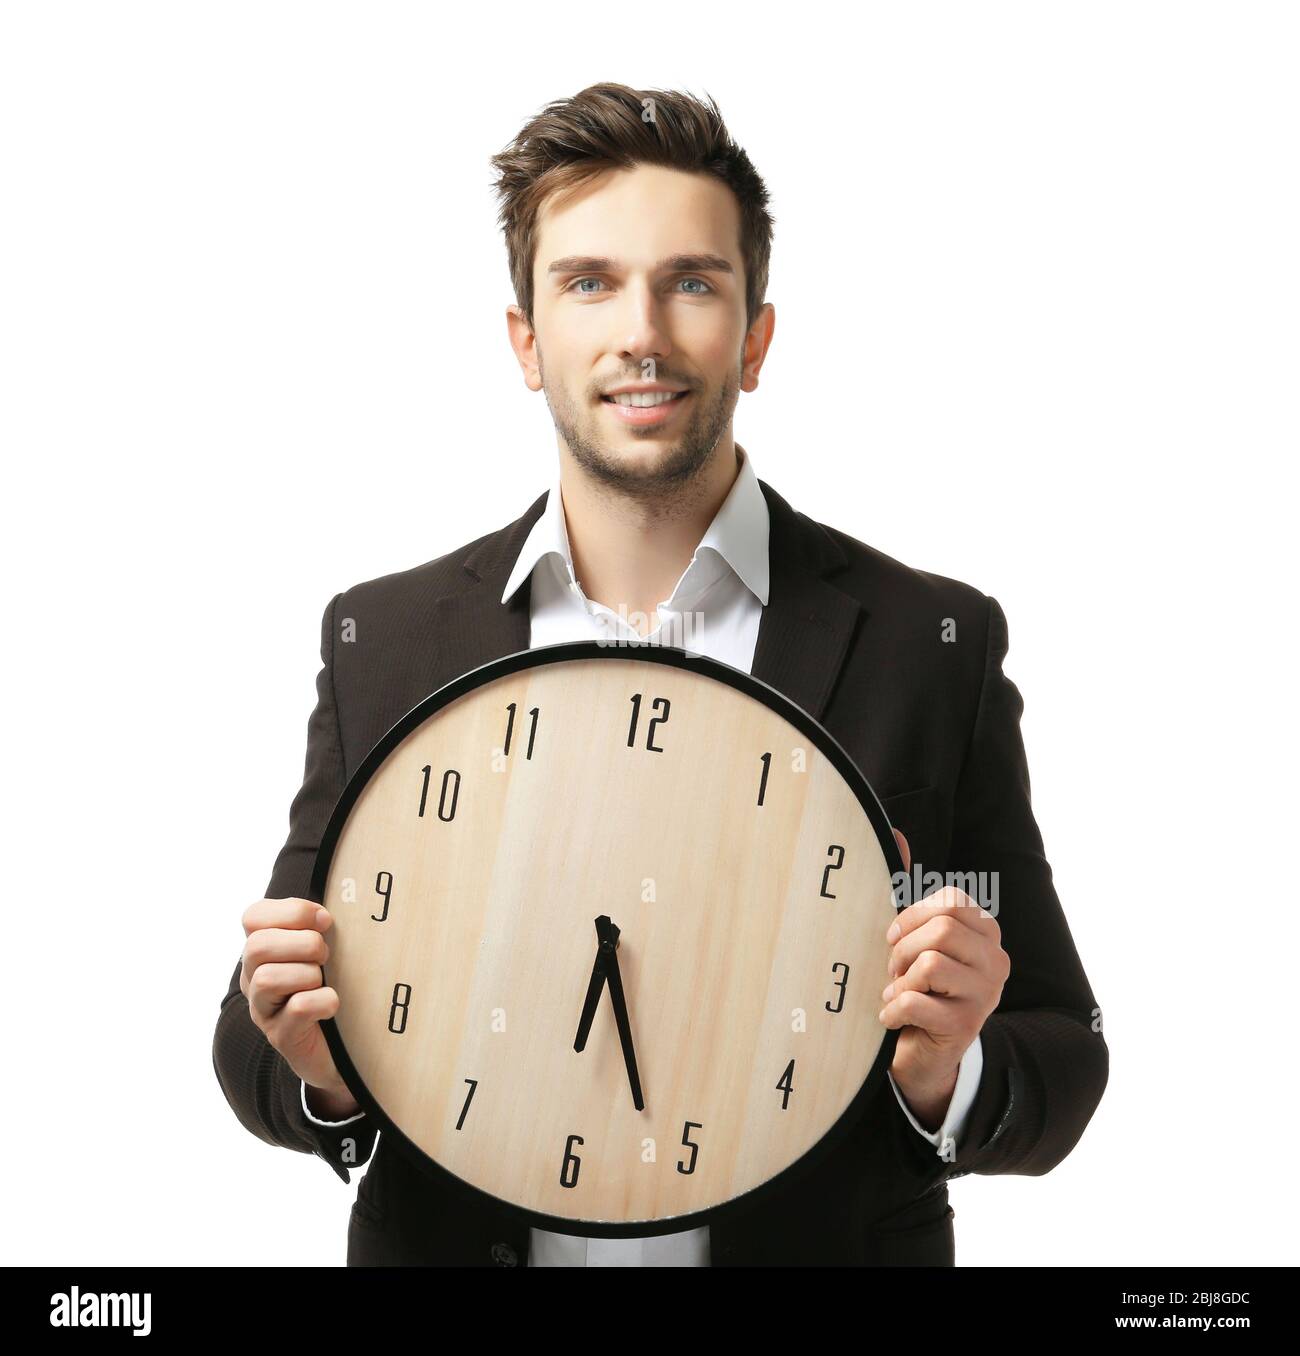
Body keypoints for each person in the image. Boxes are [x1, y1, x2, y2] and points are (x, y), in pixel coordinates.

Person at [212, 82, 1108, 1266]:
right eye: (588, 282)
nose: (642, 331)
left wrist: (949, 1067)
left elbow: (1061, 1048)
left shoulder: (924, 642)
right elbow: (259, 1028)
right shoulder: (387, 637)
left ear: (755, 334)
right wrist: (328, 1073)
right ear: (527, 341)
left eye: (692, 282)